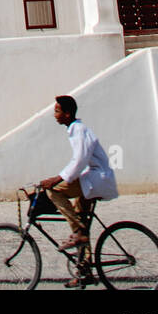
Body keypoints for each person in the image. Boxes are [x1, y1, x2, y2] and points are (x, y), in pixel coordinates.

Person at [37, 95, 118, 252]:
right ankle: (85, 272)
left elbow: (80, 159)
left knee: (52, 191)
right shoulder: (75, 129)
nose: (55, 115)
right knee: (82, 220)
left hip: (98, 179)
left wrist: (57, 179)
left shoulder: (79, 130)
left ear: (67, 114)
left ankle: (76, 231)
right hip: (94, 178)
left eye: (57, 111)